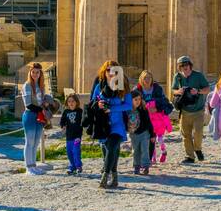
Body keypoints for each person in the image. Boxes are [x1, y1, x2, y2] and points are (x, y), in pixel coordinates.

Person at [90, 60, 130, 189]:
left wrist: (112, 109)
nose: (111, 73)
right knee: (111, 150)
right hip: (103, 124)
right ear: (104, 71)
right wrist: (99, 104)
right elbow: (93, 103)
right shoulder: (99, 86)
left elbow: (128, 105)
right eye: (108, 70)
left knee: (112, 146)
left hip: (118, 124)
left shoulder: (122, 86)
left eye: (114, 70)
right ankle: (115, 177)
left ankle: (105, 176)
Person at [171, 55, 211, 163]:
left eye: (187, 64)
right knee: (186, 135)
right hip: (184, 111)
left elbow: (207, 89)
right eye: (182, 65)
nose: (185, 67)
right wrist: (178, 91)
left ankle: (197, 149)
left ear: (190, 65)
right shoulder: (177, 77)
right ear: (179, 67)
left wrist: (197, 91)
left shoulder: (198, 76)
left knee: (198, 132)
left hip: (198, 111)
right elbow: (173, 90)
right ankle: (190, 156)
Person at [21, 63, 55, 175]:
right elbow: (29, 104)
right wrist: (42, 109)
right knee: (29, 141)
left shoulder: (40, 87)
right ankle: (28, 167)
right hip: (30, 115)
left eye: (38, 72)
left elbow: (41, 101)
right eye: (33, 72)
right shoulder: (27, 85)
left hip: (39, 116)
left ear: (40, 74)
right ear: (30, 73)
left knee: (36, 142)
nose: (35, 74)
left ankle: (33, 165)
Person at [136, 70, 174, 164]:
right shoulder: (137, 90)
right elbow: (134, 103)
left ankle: (162, 151)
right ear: (141, 79)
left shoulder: (157, 89)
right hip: (145, 118)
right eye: (145, 77)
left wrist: (156, 108)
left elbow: (163, 101)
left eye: (149, 77)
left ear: (152, 79)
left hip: (157, 117)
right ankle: (152, 158)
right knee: (149, 138)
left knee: (158, 137)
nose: (147, 79)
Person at [126, 89, 155, 175]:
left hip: (144, 133)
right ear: (130, 100)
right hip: (133, 134)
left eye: (139, 99)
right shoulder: (127, 110)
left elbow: (148, 122)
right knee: (136, 151)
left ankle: (146, 167)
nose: (138, 101)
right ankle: (136, 166)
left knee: (145, 150)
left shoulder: (143, 109)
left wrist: (152, 134)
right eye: (135, 99)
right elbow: (124, 121)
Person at [59, 93, 84, 175]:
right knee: (69, 152)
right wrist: (62, 126)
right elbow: (62, 121)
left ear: (76, 102)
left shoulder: (80, 111)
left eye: (73, 101)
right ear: (67, 103)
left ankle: (78, 166)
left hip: (77, 136)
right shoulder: (66, 112)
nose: (71, 103)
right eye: (69, 101)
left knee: (76, 151)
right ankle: (72, 167)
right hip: (69, 136)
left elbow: (83, 122)